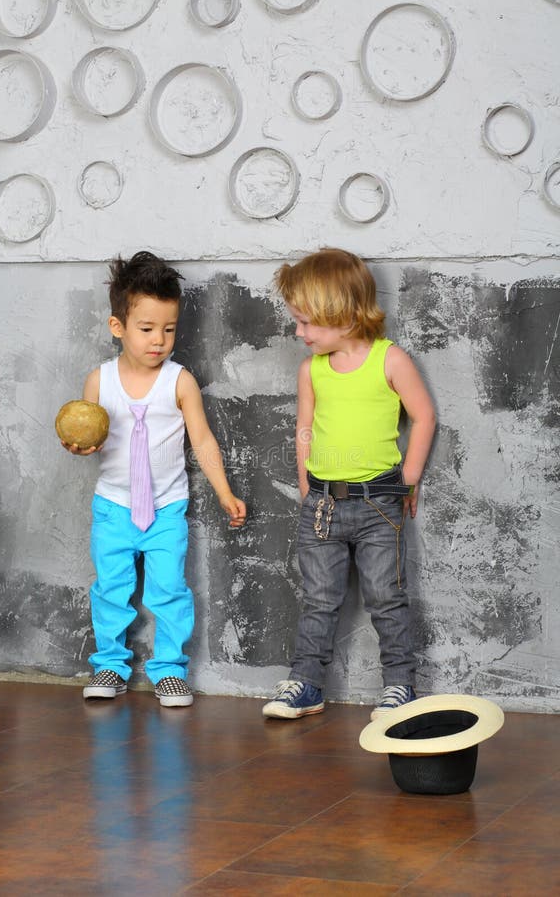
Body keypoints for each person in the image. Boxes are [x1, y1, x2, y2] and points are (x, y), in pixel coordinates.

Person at [61, 251, 246, 706]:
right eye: (146, 329)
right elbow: (94, 438)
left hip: (165, 509)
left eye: (169, 329)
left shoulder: (180, 382)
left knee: (169, 591)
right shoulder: (98, 382)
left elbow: (202, 441)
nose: (159, 340)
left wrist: (224, 491)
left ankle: (168, 670)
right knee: (111, 589)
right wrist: (81, 446)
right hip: (114, 506)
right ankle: (109, 667)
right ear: (117, 327)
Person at [262, 248, 436, 721]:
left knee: (386, 597)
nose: (298, 333)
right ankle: (307, 684)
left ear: (342, 313)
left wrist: (410, 478)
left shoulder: (390, 360)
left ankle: (400, 686)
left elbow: (422, 416)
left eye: (306, 323)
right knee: (318, 599)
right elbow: (304, 428)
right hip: (322, 505)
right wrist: (305, 487)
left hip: (380, 504)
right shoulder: (312, 370)